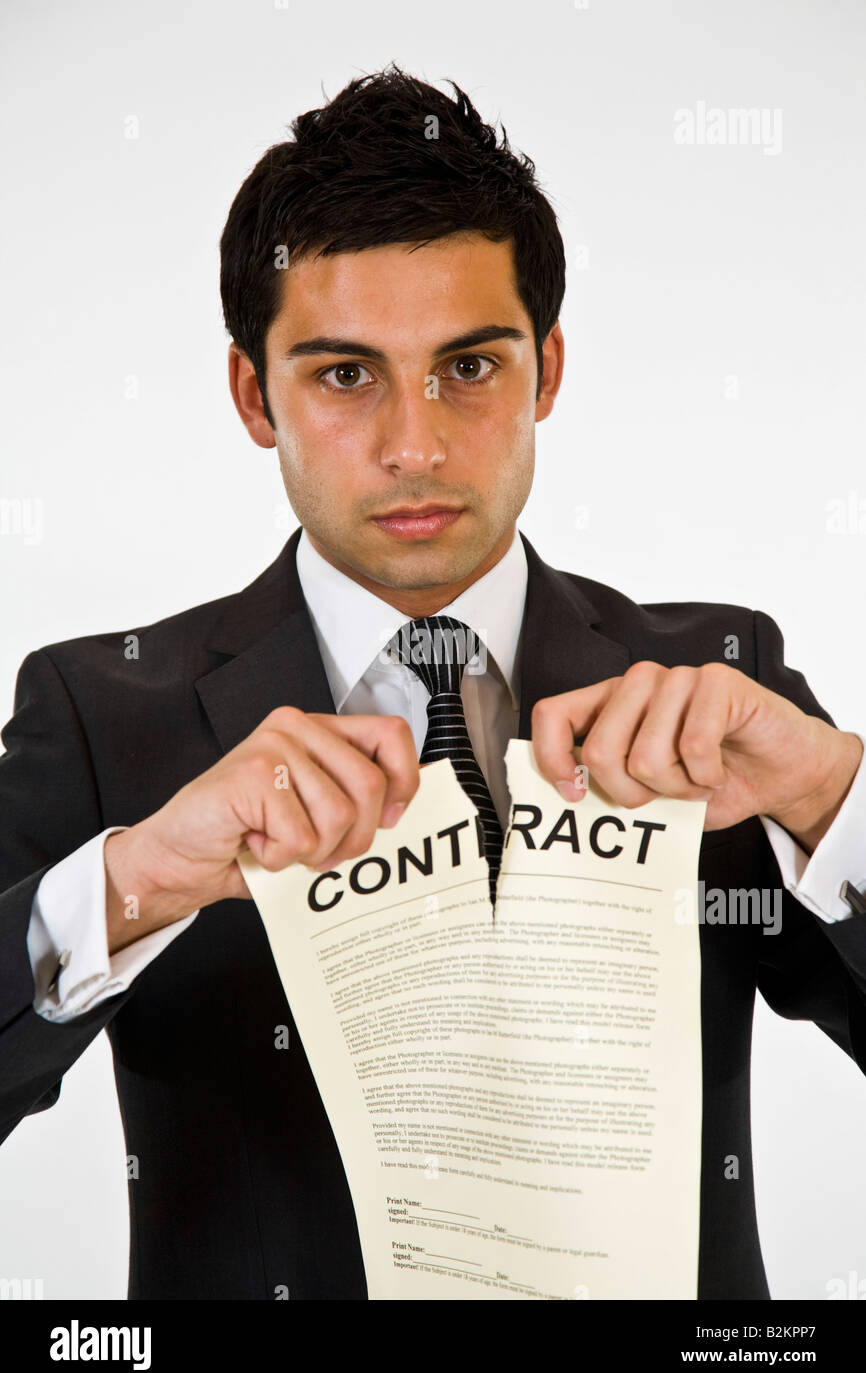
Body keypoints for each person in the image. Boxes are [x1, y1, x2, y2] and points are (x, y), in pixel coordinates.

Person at [1, 65, 864, 1302]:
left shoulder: (716, 686)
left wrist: (835, 795)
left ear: (546, 371)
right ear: (255, 394)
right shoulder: (101, 711)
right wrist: (133, 879)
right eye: (344, 374)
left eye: (469, 366)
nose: (415, 443)